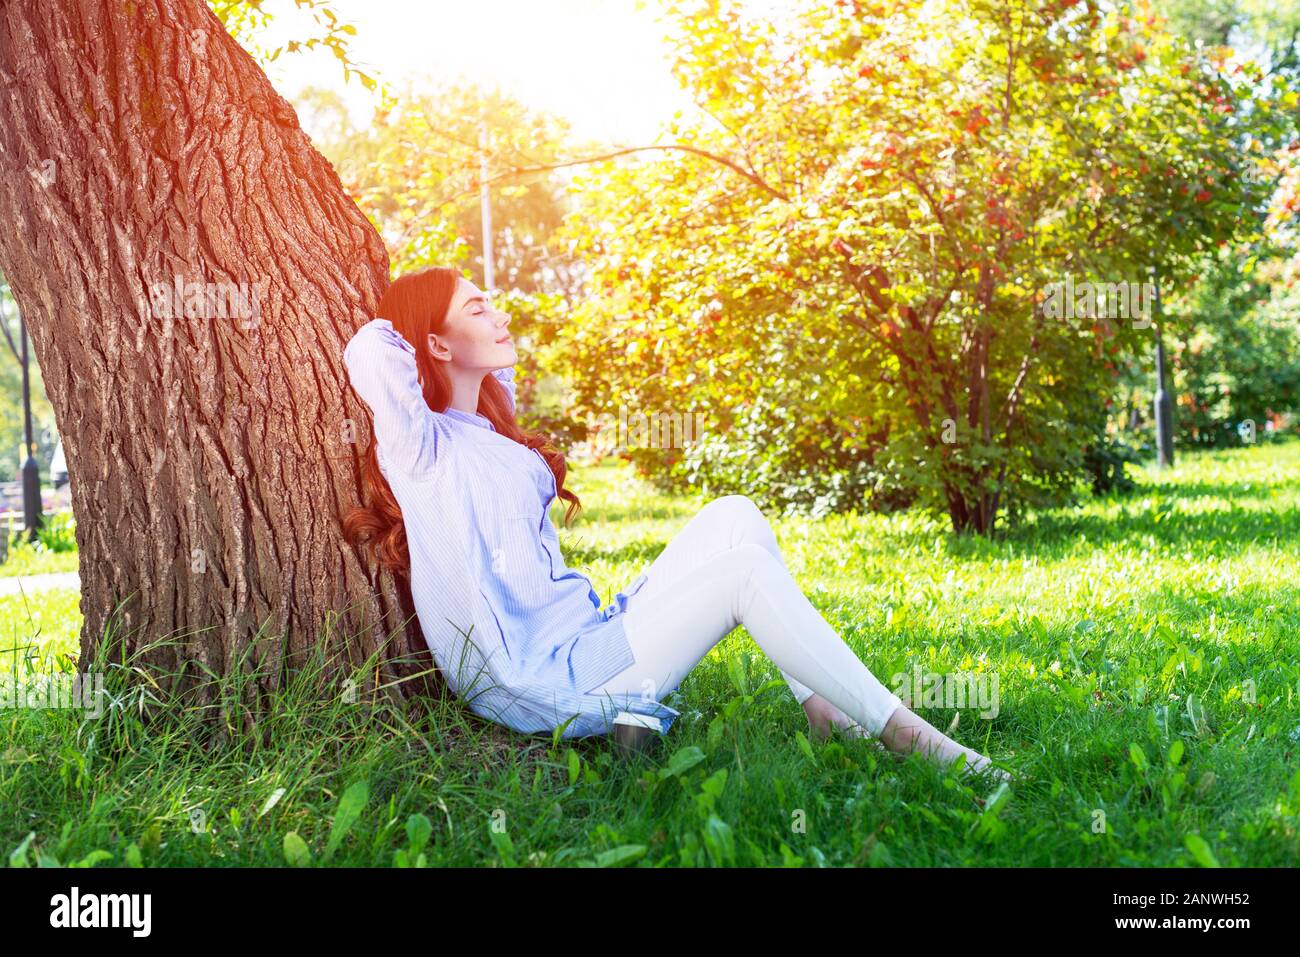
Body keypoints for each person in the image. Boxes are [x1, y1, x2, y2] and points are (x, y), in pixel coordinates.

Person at [342, 266, 1010, 782]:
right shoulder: (424, 450)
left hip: (591, 640)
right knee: (744, 574)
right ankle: (916, 739)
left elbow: (486, 394)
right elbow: (370, 351)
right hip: (545, 679)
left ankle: (826, 713)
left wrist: (448, 328)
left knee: (733, 516)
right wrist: (402, 317)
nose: (499, 313)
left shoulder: (488, 428)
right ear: (432, 340)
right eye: (476, 306)